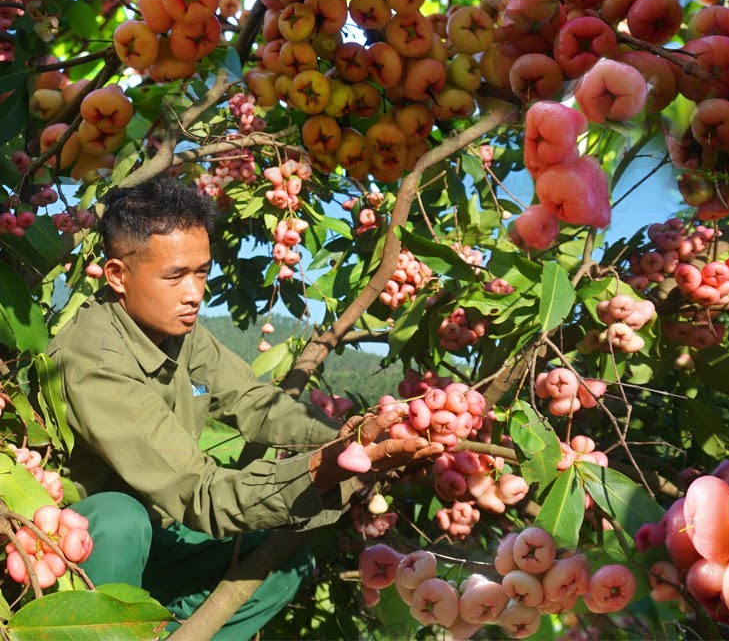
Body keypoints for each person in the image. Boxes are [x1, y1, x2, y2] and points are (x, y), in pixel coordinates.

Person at [49, 176, 441, 638]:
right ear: (117, 275)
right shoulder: (93, 358)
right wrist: (324, 467)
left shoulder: (180, 331)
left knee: (285, 559)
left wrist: (352, 437)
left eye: (201, 272)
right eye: (175, 275)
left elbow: (256, 403)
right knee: (119, 517)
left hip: (160, 535)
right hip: (92, 552)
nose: (195, 292)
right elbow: (200, 493)